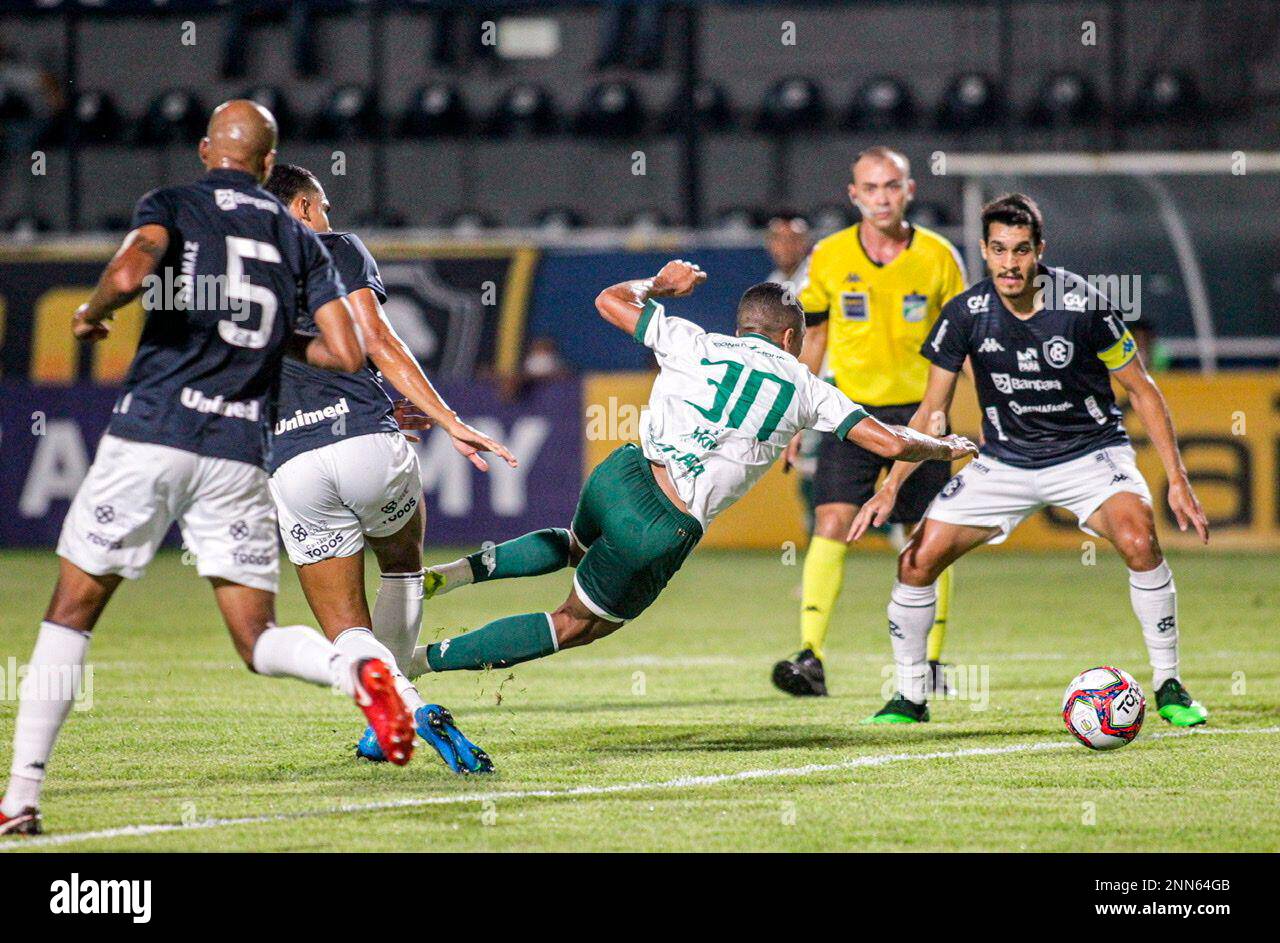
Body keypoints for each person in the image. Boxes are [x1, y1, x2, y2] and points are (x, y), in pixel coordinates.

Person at [0, 101, 413, 838]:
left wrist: (93, 310)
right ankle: (356, 668)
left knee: (71, 610)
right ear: (266, 164)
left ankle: (21, 794)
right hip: (239, 451)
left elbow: (131, 269)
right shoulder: (300, 237)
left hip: (152, 433)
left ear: (205, 151)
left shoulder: (174, 203)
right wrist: (269, 342)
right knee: (256, 638)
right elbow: (348, 353)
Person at [404, 261, 975, 679]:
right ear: (790, 337)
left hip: (621, 473)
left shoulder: (694, 342)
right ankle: (422, 663)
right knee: (576, 624)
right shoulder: (807, 387)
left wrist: (659, 282)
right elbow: (887, 440)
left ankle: (453, 575)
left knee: (576, 544)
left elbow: (607, 300)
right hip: (662, 521)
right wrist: (942, 445)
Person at [850, 193, 1211, 726]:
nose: (1009, 263)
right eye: (998, 250)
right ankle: (908, 696)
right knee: (916, 562)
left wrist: (1177, 479)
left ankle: (1169, 685)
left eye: (1021, 250)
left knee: (1140, 541)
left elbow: (1142, 390)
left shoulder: (1084, 306)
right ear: (983, 250)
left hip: (1090, 456)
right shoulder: (965, 315)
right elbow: (932, 413)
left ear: (1040, 250)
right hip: (1004, 463)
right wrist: (891, 485)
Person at [262, 164, 517, 772]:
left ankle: (399, 711)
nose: (327, 218)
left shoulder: (236, 286)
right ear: (300, 208)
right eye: (321, 206)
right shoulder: (336, 248)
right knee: (402, 565)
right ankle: (403, 706)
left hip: (291, 462)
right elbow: (379, 340)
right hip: (368, 446)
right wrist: (449, 418)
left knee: (346, 632)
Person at [773, 147, 968, 698]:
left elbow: (962, 343)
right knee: (831, 522)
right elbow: (814, 338)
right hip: (850, 413)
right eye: (871, 188)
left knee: (926, 536)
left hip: (922, 413)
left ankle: (930, 662)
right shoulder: (830, 257)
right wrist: (793, 418)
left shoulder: (939, 257)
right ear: (854, 195)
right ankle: (810, 656)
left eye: (892, 186)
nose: (882, 197)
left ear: (908, 190)